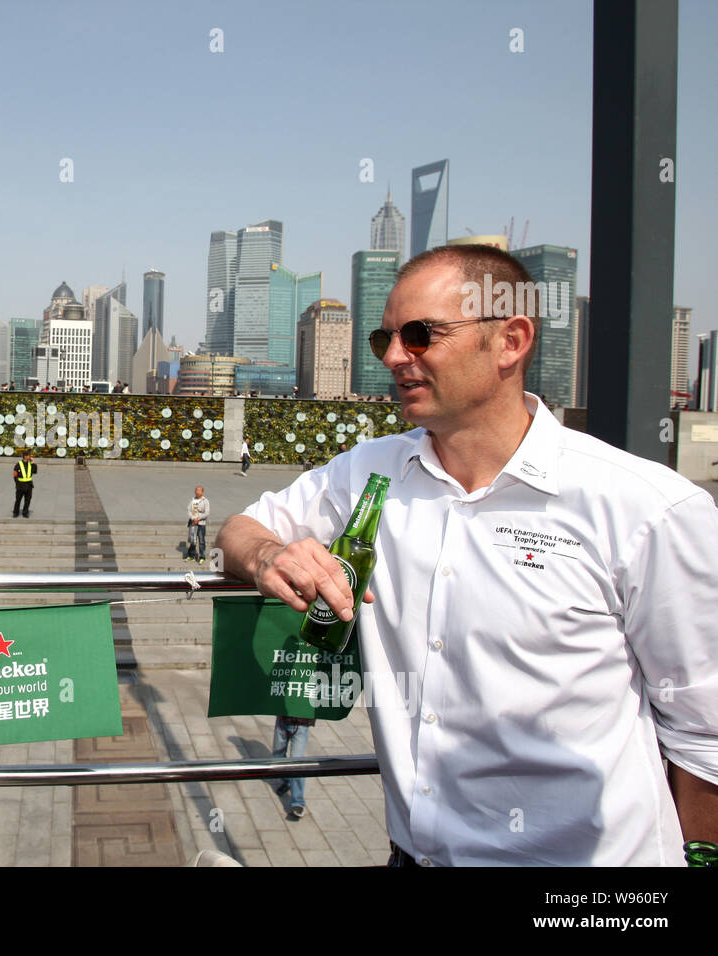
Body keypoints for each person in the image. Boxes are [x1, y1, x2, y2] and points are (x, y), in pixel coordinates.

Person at [216, 245, 718, 866]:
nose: (396, 357)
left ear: (510, 341)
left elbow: (704, 733)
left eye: (422, 335)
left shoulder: (646, 509)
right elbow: (240, 527)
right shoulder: (371, 472)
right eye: (386, 339)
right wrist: (268, 557)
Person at [272, 715, 315, 818]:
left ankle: (298, 803)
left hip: (301, 724)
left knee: (296, 763)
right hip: (282, 721)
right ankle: (287, 780)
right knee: (277, 757)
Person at [185, 486, 209, 562]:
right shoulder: (192, 500)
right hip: (193, 523)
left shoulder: (205, 501)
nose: (197, 492)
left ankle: (202, 556)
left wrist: (198, 518)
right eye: (196, 490)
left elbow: (207, 513)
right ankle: (191, 555)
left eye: (199, 490)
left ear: (202, 492)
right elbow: (188, 510)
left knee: (201, 540)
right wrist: (193, 518)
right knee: (193, 540)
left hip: (201, 523)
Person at [13, 451, 36, 517]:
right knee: (18, 500)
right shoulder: (18, 464)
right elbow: (15, 475)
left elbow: (35, 471)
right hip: (20, 486)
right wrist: (17, 485)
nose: (30, 457)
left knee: (27, 500)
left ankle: (25, 513)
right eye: (29, 456)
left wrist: (33, 463)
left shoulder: (30, 464)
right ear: (25, 456)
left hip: (29, 485)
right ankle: (15, 512)